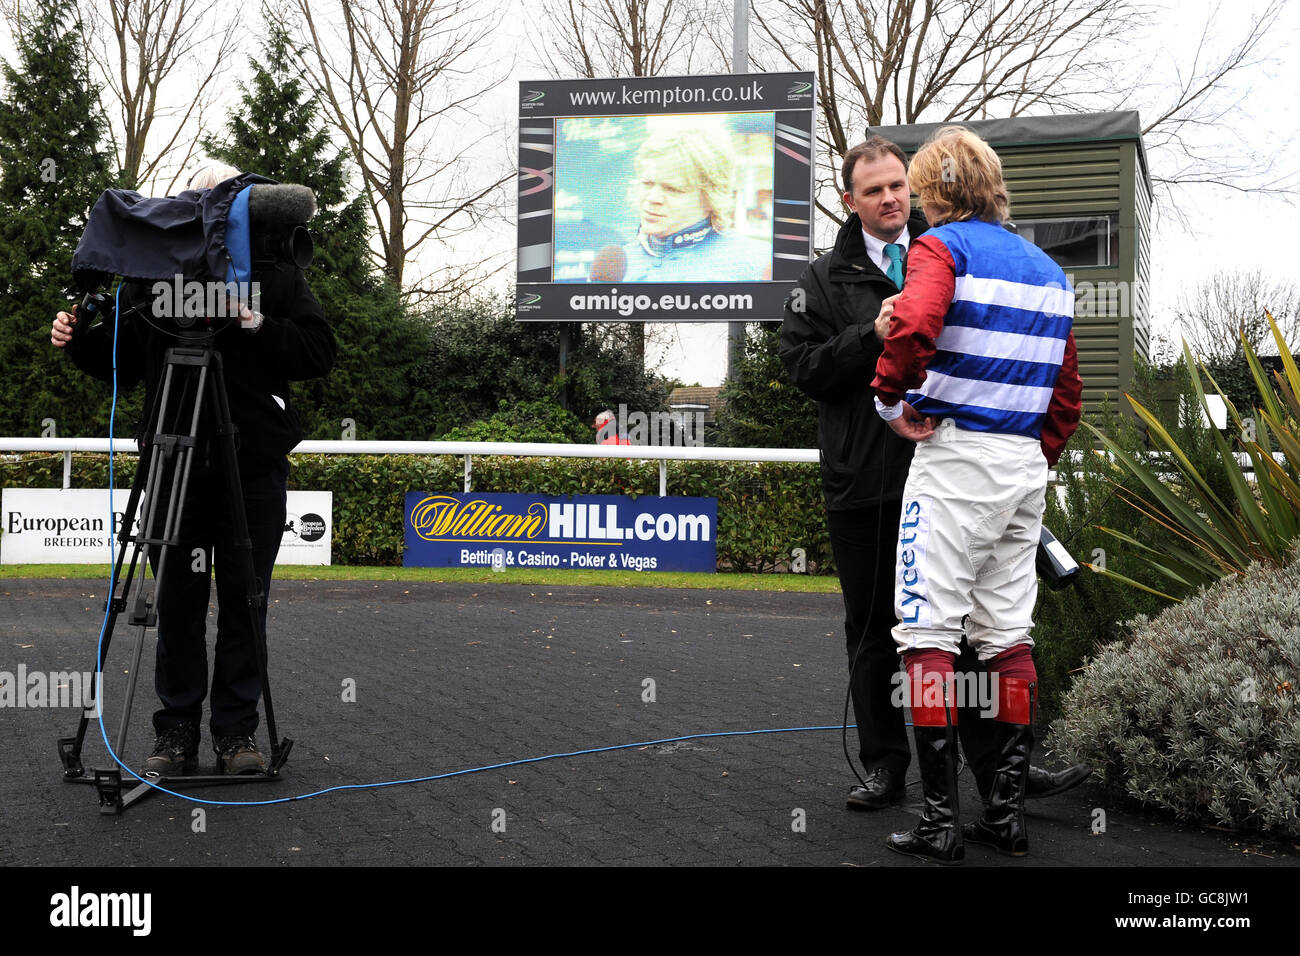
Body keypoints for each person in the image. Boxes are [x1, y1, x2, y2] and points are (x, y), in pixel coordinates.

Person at [779, 137, 1088, 816]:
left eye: (900, 186)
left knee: (974, 634)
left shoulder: (948, 248)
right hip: (866, 481)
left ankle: (999, 772)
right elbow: (802, 370)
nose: (893, 199)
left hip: (951, 474)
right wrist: (872, 339)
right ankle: (887, 767)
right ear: (850, 201)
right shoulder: (822, 280)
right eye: (877, 191)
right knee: (876, 631)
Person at [51, 162, 336, 776]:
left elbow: (318, 351)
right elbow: (121, 360)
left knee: (244, 602)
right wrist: (77, 337)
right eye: (201, 205)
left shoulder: (273, 271)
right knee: (176, 604)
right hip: (173, 458)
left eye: (226, 206)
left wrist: (251, 319)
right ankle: (175, 736)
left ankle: (237, 737)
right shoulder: (156, 275)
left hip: (251, 468)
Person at [872, 127, 1083, 863]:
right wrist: (1032, 454)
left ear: (934, 192)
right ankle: (1003, 816)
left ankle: (938, 822)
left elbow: (918, 320)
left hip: (954, 461)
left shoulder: (943, 247)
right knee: (1006, 637)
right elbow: (1069, 394)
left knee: (926, 637)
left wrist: (892, 401)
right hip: (1023, 464)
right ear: (994, 184)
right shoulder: (1050, 271)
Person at [614, 125, 770, 283]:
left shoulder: (757, 263)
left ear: (711, 197)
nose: (653, 198)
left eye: (673, 189)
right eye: (647, 183)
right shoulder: (616, 265)